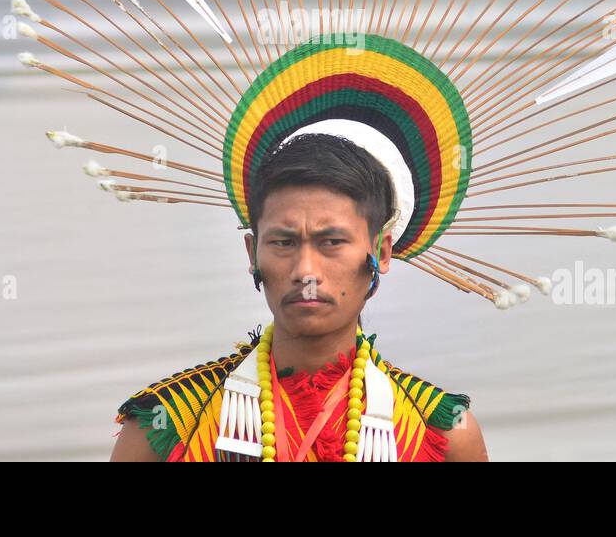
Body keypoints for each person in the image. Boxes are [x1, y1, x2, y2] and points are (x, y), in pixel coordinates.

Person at [110, 132, 487, 462]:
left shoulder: (443, 433)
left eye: (332, 242)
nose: (306, 271)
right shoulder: (168, 425)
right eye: (284, 242)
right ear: (252, 253)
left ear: (381, 252)